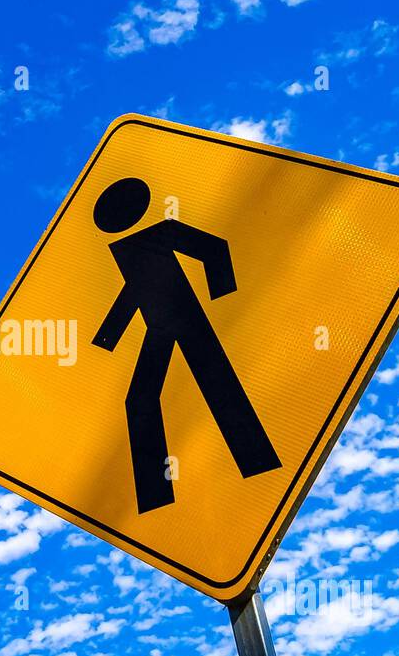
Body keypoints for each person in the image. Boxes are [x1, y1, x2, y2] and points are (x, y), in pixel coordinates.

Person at [91, 177, 281, 513]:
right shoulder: (129, 249)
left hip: (188, 318)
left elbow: (214, 249)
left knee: (217, 385)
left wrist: (222, 298)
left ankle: (257, 461)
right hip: (160, 327)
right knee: (141, 398)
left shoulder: (163, 231)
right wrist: (108, 336)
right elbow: (135, 289)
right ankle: (155, 495)